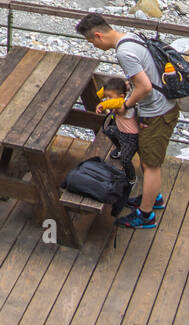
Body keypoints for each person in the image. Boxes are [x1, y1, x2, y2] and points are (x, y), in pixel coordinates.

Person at [76, 13, 179, 228]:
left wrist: (125, 105)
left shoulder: (124, 53)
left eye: (91, 42)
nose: (93, 46)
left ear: (98, 35)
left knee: (151, 165)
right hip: (158, 108)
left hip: (157, 112)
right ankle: (153, 198)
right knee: (146, 158)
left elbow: (145, 87)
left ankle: (146, 215)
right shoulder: (131, 37)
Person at [97, 73, 139, 187]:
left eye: (110, 97)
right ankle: (120, 148)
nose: (108, 99)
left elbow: (114, 103)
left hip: (131, 137)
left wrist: (102, 105)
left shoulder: (124, 106)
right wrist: (103, 92)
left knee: (126, 160)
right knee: (109, 130)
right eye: (107, 97)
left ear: (121, 96)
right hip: (121, 131)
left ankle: (132, 179)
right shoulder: (121, 98)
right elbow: (108, 96)